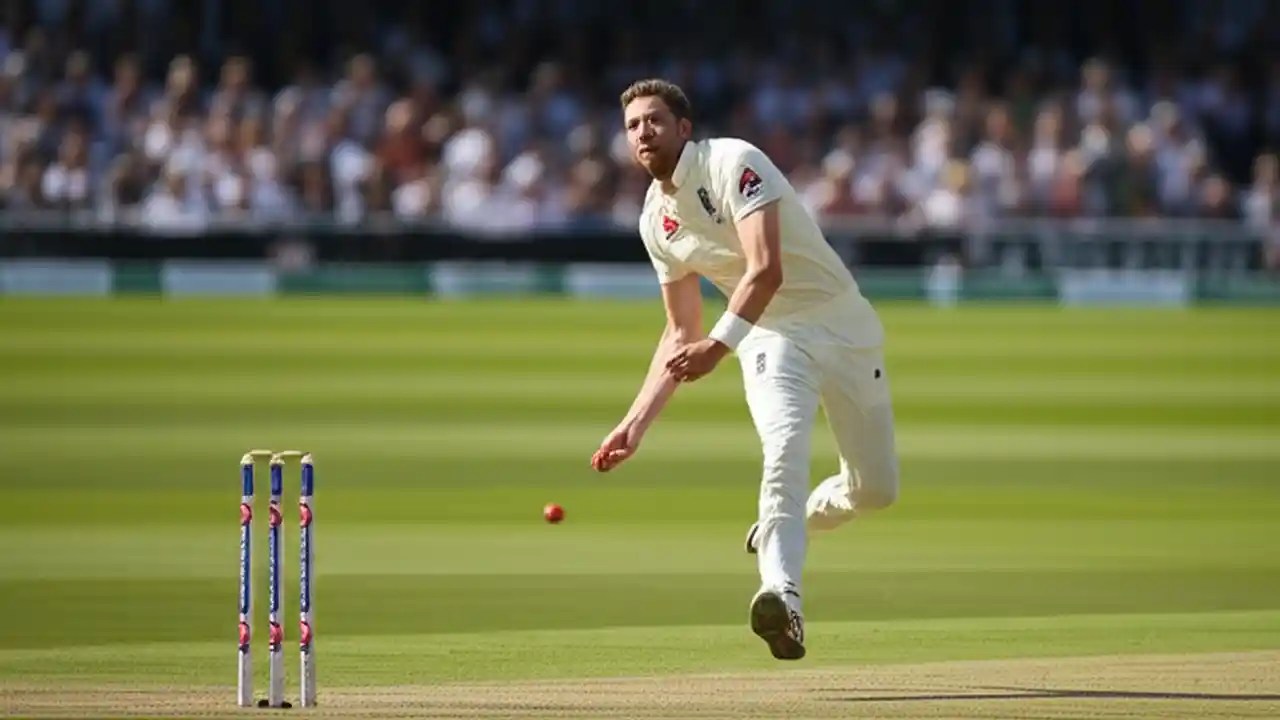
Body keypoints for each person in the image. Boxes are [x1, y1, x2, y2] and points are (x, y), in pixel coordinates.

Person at [590, 79, 900, 660]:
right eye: (632, 125)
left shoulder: (734, 161)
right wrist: (635, 424)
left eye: (654, 119)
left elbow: (766, 269)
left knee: (876, 490)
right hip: (771, 338)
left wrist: (719, 343)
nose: (642, 132)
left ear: (684, 127)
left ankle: (780, 528)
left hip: (843, 325)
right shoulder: (655, 222)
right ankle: (782, 596)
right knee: (783, 453)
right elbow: (679, 333)